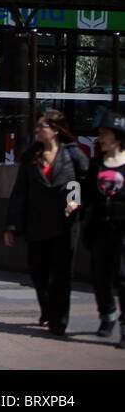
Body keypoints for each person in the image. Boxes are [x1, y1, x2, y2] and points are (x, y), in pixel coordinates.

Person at [3, 109, 89, 336]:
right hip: (37, 223)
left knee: (62, 273)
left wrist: (74, 201)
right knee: (39, 272)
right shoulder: (32, 158)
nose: (37, 130)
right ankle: (48, 308)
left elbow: (81, 181)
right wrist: (12, 226)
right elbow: (20, 193)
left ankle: (58, 320)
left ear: (55, 130)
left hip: (66, 225)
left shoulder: (73, 155)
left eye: (42, 126)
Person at [83, 111, 125, 345]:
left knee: (123, 276)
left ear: (118, 136)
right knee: (100, 275)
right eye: (99, 134)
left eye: (104, 133)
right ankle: (106, 315)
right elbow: (79, 187)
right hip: (100, 228)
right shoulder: (96, 163)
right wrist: (72, 203)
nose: (100, 138)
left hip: (122, 230)